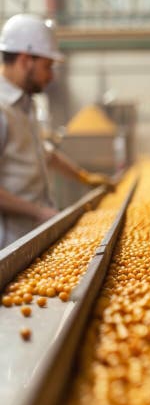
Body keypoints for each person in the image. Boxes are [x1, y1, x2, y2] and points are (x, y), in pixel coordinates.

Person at [0, 14, 113, 249]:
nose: (51, 76)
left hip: (33, 237)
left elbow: (45, 154)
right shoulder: (2, 110)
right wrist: (39, 212)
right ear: (25, 60)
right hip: (9, 245)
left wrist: (83, 176)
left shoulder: (26, 105)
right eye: (47, 66)